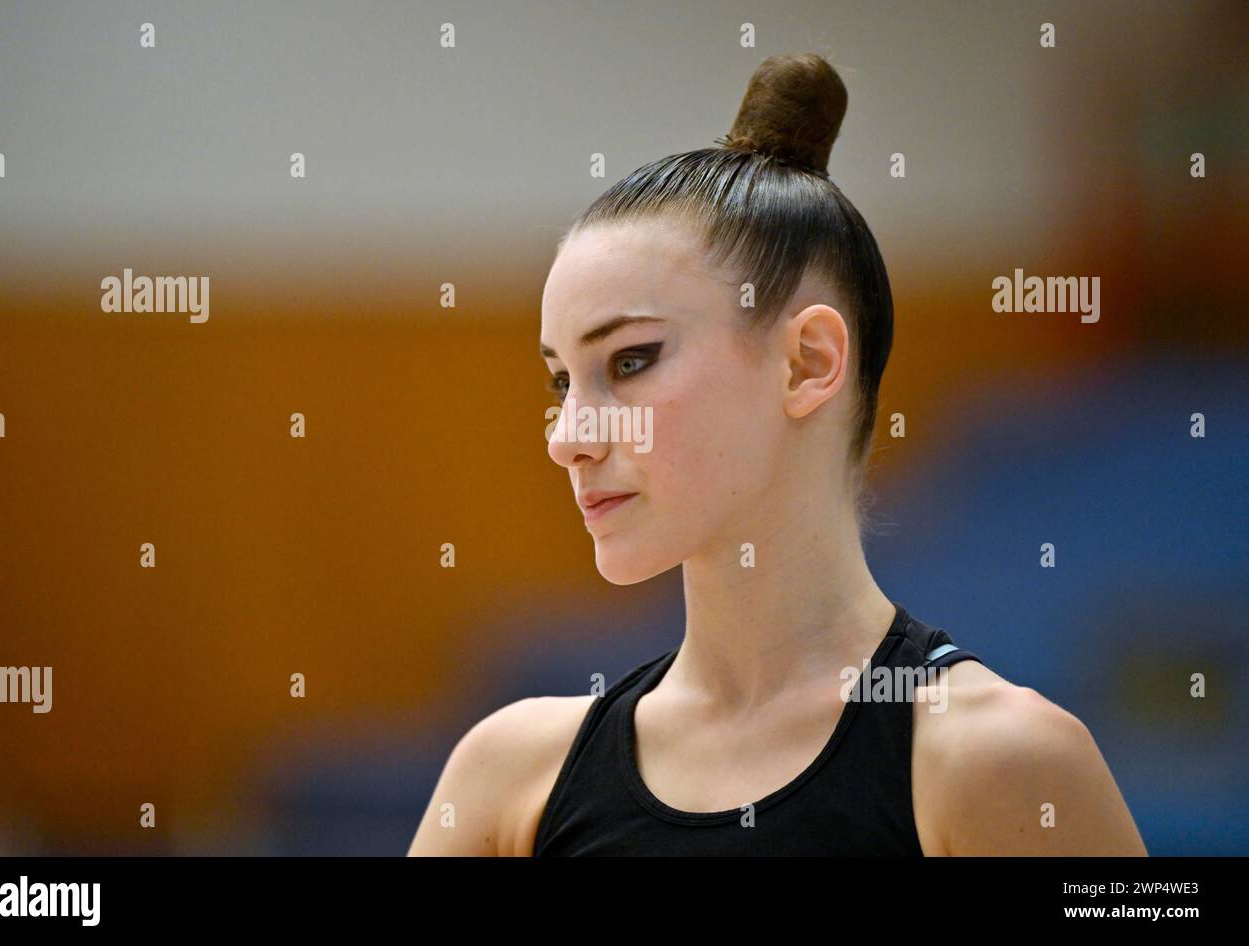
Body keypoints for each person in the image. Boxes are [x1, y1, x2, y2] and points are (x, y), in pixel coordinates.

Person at [407, 52, 1147, 856]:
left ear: (808, 364)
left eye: (628, 361)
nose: (567, 439)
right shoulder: (509, 777)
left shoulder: (1002, 764)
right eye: (561, 382)